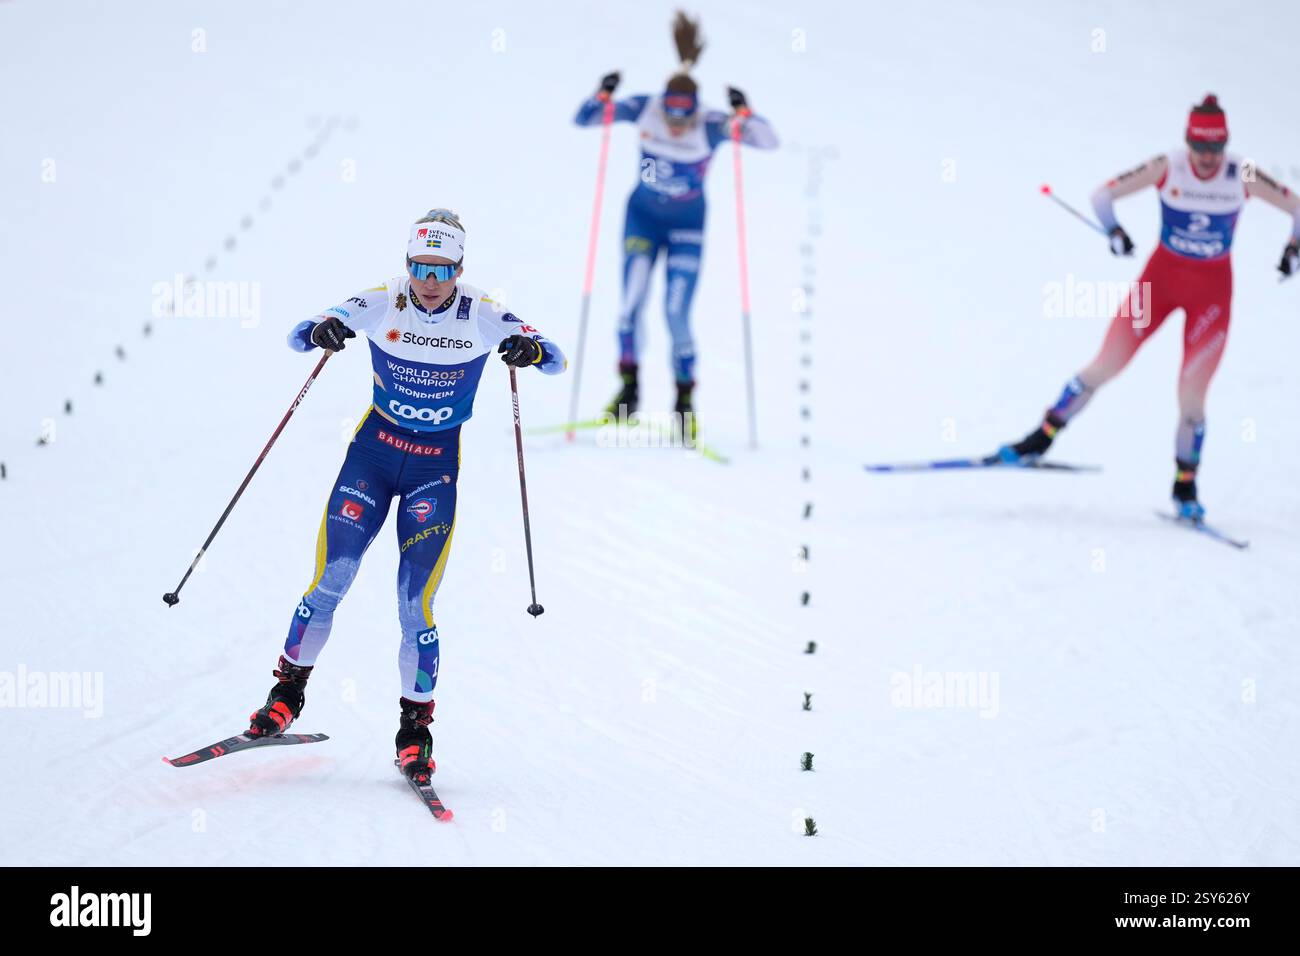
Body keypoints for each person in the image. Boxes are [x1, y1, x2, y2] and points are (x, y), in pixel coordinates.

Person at [246, 209, 566, 785]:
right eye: (420, 266)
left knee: (414, 606)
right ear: (407, 264)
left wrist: (530, 350)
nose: (430, 280)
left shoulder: (481, 310)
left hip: (433, 471)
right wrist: (324, 329)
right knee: (331, 578)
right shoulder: (384, 299)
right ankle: (285, 694)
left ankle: (414, 732)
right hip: (371, 459)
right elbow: (300, 334)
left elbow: (554, 356)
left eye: (442, 269)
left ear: (460, 268)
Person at [1001, 95, 1300, 518]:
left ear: (1226, 145)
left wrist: (1293, 249)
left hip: (1211, 298)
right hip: (1159, 284)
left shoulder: (1242, 171)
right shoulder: (1169, 164)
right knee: (1105, 366)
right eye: (1200, 148)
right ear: (1188, 143)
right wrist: (1114, 231)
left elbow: (1296, 206)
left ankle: (1185, 488)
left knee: (1192, 397)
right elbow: (1102, 195)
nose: (1208, 159)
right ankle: (1041, 437)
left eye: (1216, 149)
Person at [573, 11, 777, 433]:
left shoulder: (712, 124)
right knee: (630, 307)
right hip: (642, 220)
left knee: (676, 312)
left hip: (687, 226)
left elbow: (768, 141)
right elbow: (584, 118)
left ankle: (684, 402)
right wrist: (604, 93)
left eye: (684, 118)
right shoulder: (645, 107)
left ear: (696, 111)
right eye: (671, 116)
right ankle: (628, 392)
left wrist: (745, 110)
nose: (677, 126)